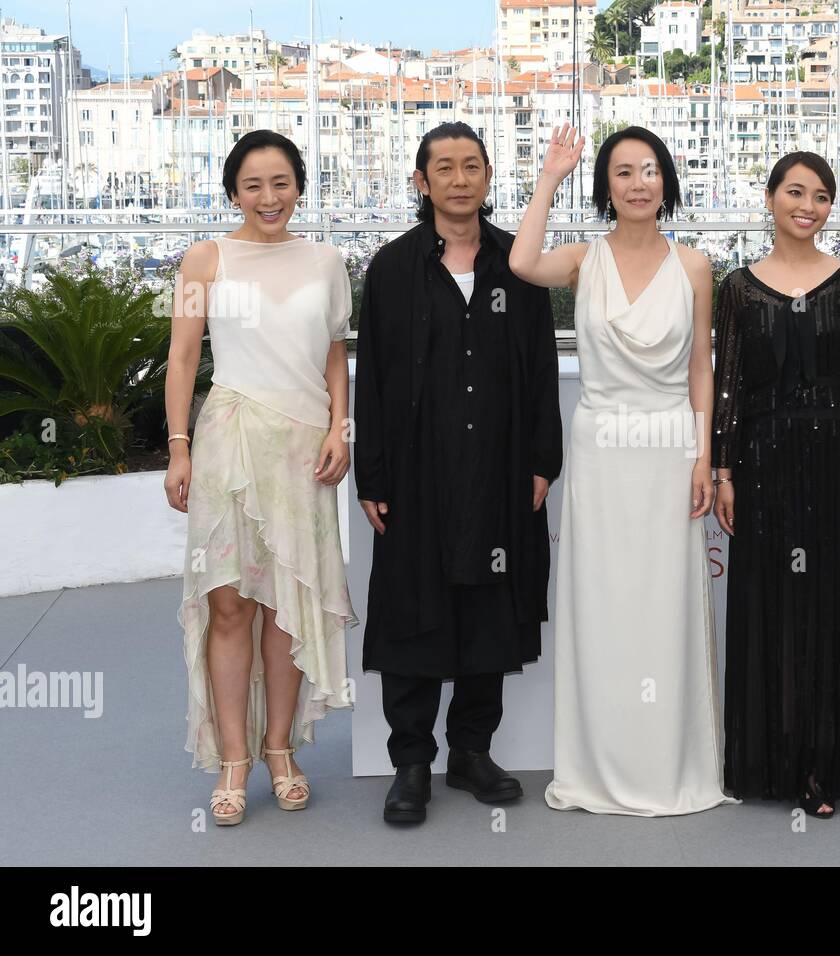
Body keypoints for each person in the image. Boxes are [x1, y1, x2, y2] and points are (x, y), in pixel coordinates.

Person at [510, 123, 736, 816]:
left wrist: (705, 456)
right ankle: (600, 761)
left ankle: (671, 761)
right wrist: (549, 176)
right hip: (604, 447)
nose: (639, 184)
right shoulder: (582, 258)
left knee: (665, 605)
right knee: (604, 605)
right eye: (623, 173)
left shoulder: (694, 265)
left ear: (667, 181)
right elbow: (520, 263)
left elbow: (702, 368)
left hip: (670, 446)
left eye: (649, 171)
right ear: (606, 188)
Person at [352, 122, 562, 825]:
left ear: (488, 176)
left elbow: (539, 369)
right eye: (445, 167)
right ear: (422, 182)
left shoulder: (519, 263)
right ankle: (411, 763)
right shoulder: (391, 268)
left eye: (472, 165)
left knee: (487, 612)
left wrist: (541, 460)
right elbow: (372, 379)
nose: (460, 178)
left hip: (500, 469)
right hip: (416, 473)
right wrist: (371, 475)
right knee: (414, 611)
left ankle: (471, 753)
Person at [165, 130, 358, 826]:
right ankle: (232, 759)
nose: (269, 198)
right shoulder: (206, 258)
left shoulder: (327, 260)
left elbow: (335, 354)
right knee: (228, 604)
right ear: (234, 190)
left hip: (304, 447)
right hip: (230, 439)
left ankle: (279, 749)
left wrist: (342, 426)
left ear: (299, 185)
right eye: (254, 185)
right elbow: (184, 359)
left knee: (286, 606)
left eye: (281, 183)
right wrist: (179, 446)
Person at [712, 152, 840, 820]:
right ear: (769, 198)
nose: (807, 206)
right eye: (795, 191)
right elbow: (727, 384)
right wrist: (723, 470)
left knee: (833, 612)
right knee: (773, 612)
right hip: (762, 468)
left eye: (820, 196)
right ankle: (769, 761)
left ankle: (822, 765)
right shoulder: (737, 288)